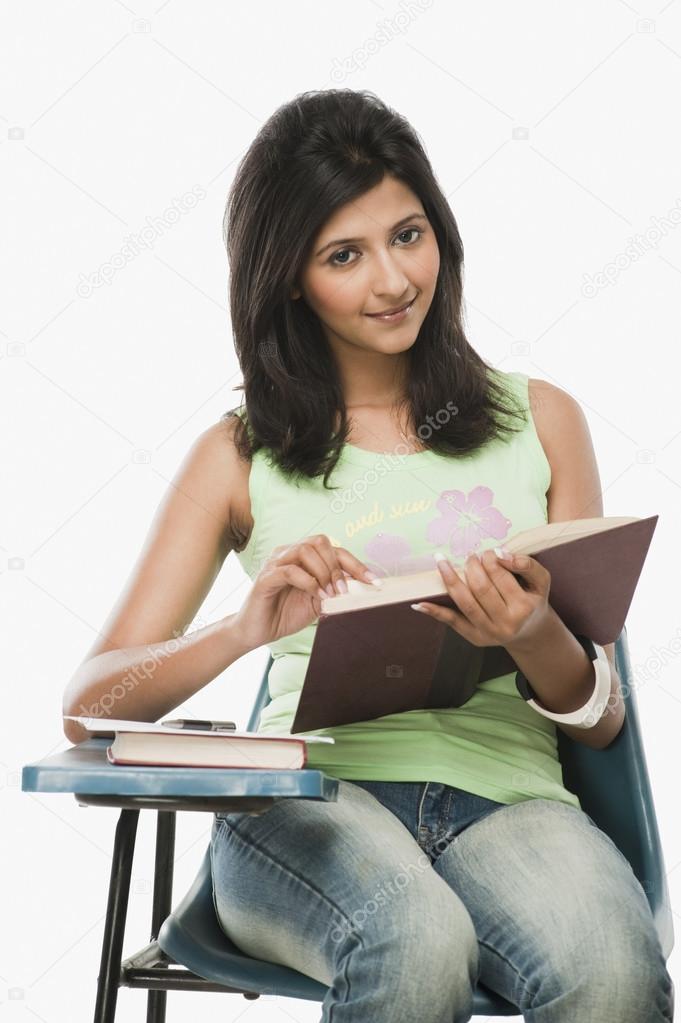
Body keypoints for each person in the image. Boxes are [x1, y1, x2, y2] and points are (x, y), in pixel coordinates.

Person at [63, 90, 674, 1022]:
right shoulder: (237, 453)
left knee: (614, 967)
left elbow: (596, 721)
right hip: (309, 804)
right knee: (413, 937)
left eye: (408, 234)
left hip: (511, 801)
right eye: (344, 255)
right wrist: (240, 630)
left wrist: (532, 627)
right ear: (288, 279)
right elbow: (88, 705)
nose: (392, 280)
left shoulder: (541, 419)